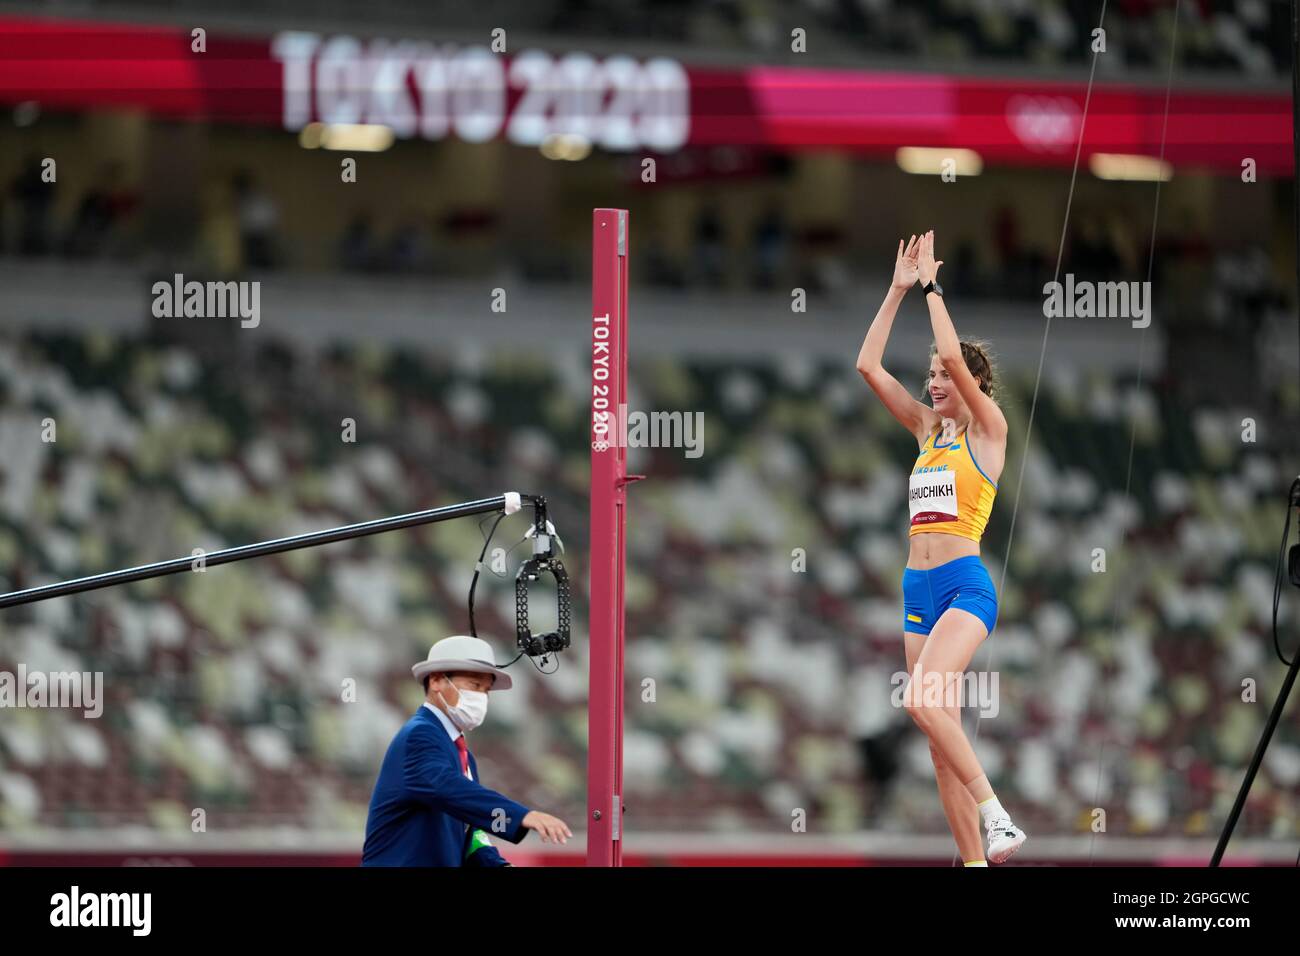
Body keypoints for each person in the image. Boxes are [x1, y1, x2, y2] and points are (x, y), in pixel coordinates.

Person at [855, 231, 1026, 865]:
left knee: (920, 699)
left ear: (975, 385)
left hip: (964, 587)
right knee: (934, 736)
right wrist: (896, 290)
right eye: (927, 375)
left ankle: (998, 817)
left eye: (943, 377)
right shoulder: (927, 431)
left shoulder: (989, 431)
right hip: (916, 591)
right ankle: (976, 863)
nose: (933, 383)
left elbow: (955, 355)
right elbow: (868, 367)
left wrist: (932, 286)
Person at [362, 635, 572, 866]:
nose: (481, 697)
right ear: (436, 681)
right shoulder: (420, 734)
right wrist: (522, 816)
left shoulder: (463, 755)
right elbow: (448, 788)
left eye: (486, 690)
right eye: (474, 685)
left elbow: (471, 832)